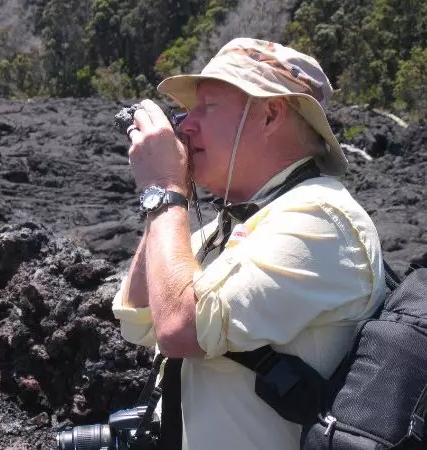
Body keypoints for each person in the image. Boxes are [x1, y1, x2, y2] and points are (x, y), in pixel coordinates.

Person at [112, 37, 386, 450]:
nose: (185, 125)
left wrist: (163, 189)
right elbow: (140, 319)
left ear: (270, 113)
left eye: (206, 107)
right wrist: (169, 194)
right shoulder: (240, 221)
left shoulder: (318, 219)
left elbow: (179, 329)